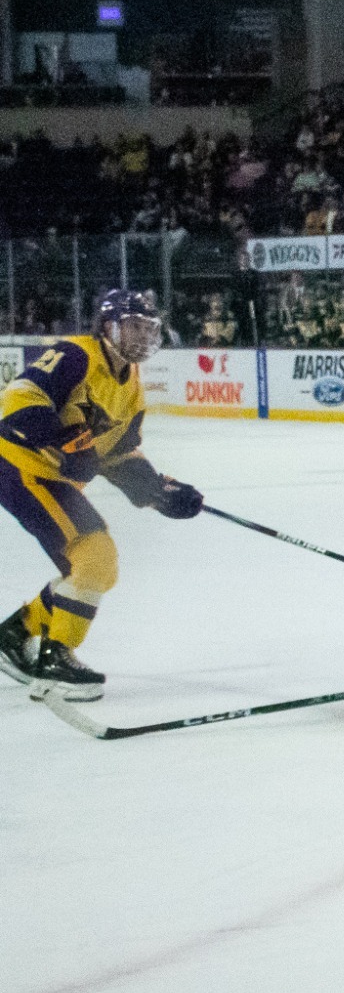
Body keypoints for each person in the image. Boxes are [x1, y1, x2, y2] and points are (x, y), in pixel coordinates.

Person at [1, 291, 202, 700]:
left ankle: (15, 634)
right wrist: (63, 441)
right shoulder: (76, 355)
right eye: (133, 327)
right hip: (18, 464)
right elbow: (18, 400)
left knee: (97, 569)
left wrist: (159, 490)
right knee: (95, 555)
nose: (142, 337)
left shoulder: (132, 389)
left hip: (49, 476)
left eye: (148, 329)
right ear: (107, 327)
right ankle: (56, 660)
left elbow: (117, 452)